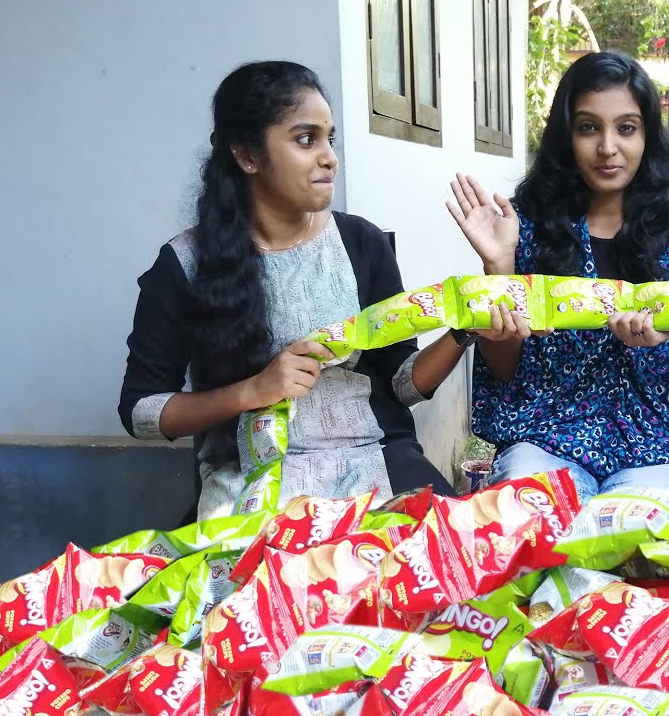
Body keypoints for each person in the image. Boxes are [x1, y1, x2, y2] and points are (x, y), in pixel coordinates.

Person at [119, 61, 466, 523]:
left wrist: (464, 331)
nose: (329, 157)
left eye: (330, 139)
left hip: (373, 465)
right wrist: (254, 390)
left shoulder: (361, 245)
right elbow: (141, 413)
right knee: (254, 593)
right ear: (247, 157)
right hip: (252, 479)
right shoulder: (185, 265)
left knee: (454, 568)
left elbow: (401, 384)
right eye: (306, 140)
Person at [445, 52, 669, 501]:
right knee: (534, 526)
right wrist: (498, 269)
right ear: (566, 136)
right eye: (587, 127)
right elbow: (505, 372)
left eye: (626, 128)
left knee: (645, 541)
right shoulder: (526, 226)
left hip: (663, 441)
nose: (607, 148)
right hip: (548, 435)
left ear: (647, 136)